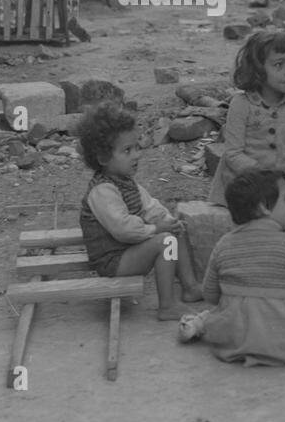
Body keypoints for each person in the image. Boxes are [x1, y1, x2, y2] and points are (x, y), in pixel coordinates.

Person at [207, 29, 285, 255]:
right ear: (258, 69)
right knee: (263, 200)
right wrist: (270, 171)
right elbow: (233, 154)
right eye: (279, 65)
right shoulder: (242, 104)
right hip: (249, 176)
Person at [78, 101, 202, 321]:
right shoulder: (102, 191)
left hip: (129, 250)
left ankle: (190, 287)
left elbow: (150, 206)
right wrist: (156, 229)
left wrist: (167, 221)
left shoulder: (127, 183)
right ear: (103, 157)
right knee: (165, 241)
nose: (136, 155)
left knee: (173, 230)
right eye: (127, 150)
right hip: (113, 261)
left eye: (137, 147)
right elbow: (123, 229)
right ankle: (167, 305)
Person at [195, 170, 285, 366]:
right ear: (264, 207)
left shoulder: (223, 244)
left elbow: (210, 295)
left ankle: (202, 325)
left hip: (233, 341)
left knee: (214, 315)